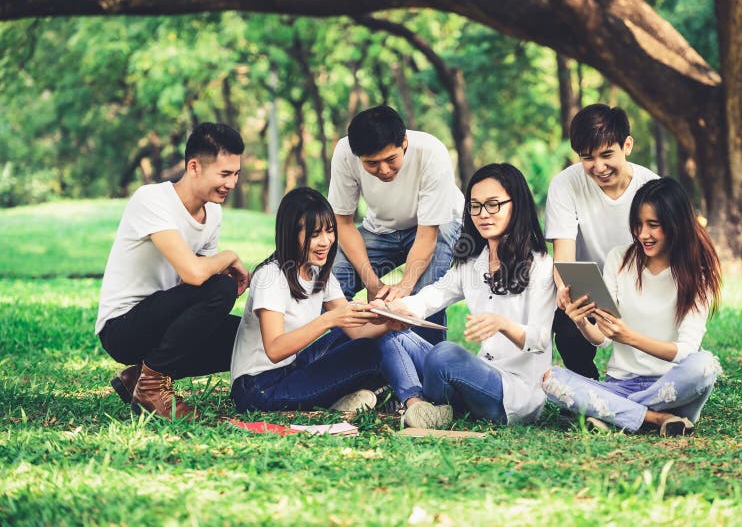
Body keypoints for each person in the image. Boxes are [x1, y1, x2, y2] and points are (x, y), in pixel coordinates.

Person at [379, 163, 556, 426]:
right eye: (475, 206)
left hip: (514, 394)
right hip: (478, 376)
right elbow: (433, 296)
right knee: (389, 332)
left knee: (445, 354)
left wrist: (503, 325)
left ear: (516, 206)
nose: (483, 214)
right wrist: (390, 308)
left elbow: (541, 340)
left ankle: (434, 406)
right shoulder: (473, 263)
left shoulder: (540, 265)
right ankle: (418, 405)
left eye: (493, 204)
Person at [542, 177, 722, 436]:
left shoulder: (698, 273)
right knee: (552, 380)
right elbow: (602, 339)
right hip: (621, 383)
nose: (642, 234)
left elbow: (686, 352)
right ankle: (656, 418)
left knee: (704, 366)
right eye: (638, 224)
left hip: (671, 385)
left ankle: (616, 414)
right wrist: (581, 321)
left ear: (676, 225)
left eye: (653, 225)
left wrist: (630, 337)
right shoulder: (619, 258)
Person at [96, 122, 249, 420]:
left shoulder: (212, 213)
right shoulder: (152, 199)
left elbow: (191, 287)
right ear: (194, 167)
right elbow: (194, 274)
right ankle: (152, 387)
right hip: (123, 327)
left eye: (236, 174)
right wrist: (228, 257)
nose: (232, 183)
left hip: (161, 319)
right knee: (222, 288)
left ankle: (138, 377)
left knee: (246, 336)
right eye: (225, 174)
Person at [230, 187, 400, 414]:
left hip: (290, 368)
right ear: (291, 234)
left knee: (359, 342)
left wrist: (390, 320)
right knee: (367, 357)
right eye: (314, 234)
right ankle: (345, 396)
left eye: (330, 231)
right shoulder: (271, 276)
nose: (326, 241)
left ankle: (345, 396)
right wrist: (329, 319)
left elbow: (356, 331)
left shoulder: (318, 273)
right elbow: (274, 349)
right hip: (257, 388)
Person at [328, 105, 464, 345]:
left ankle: (424, 369)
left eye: (391, 159)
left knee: (423, 296)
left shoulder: (431, 152)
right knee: (331, 281)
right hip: (381, 228)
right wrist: (372, 281)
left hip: (438, 226)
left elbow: (427, 235)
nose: (384, 170)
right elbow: (343, 224)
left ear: (404, 141)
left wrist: (404, 286)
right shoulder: (344, 152)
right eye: (371, 164)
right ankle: (349, 363)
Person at [545, 103, 659, 380]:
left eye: (607, 154)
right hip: (587, 285)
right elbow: (564, 258)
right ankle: (585, 382)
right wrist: (567, 298)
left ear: (627, 145)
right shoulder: (565, 184)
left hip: (637, 282)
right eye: (587, 158)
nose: (599, 167)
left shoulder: (651, 186)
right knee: (568, 321)